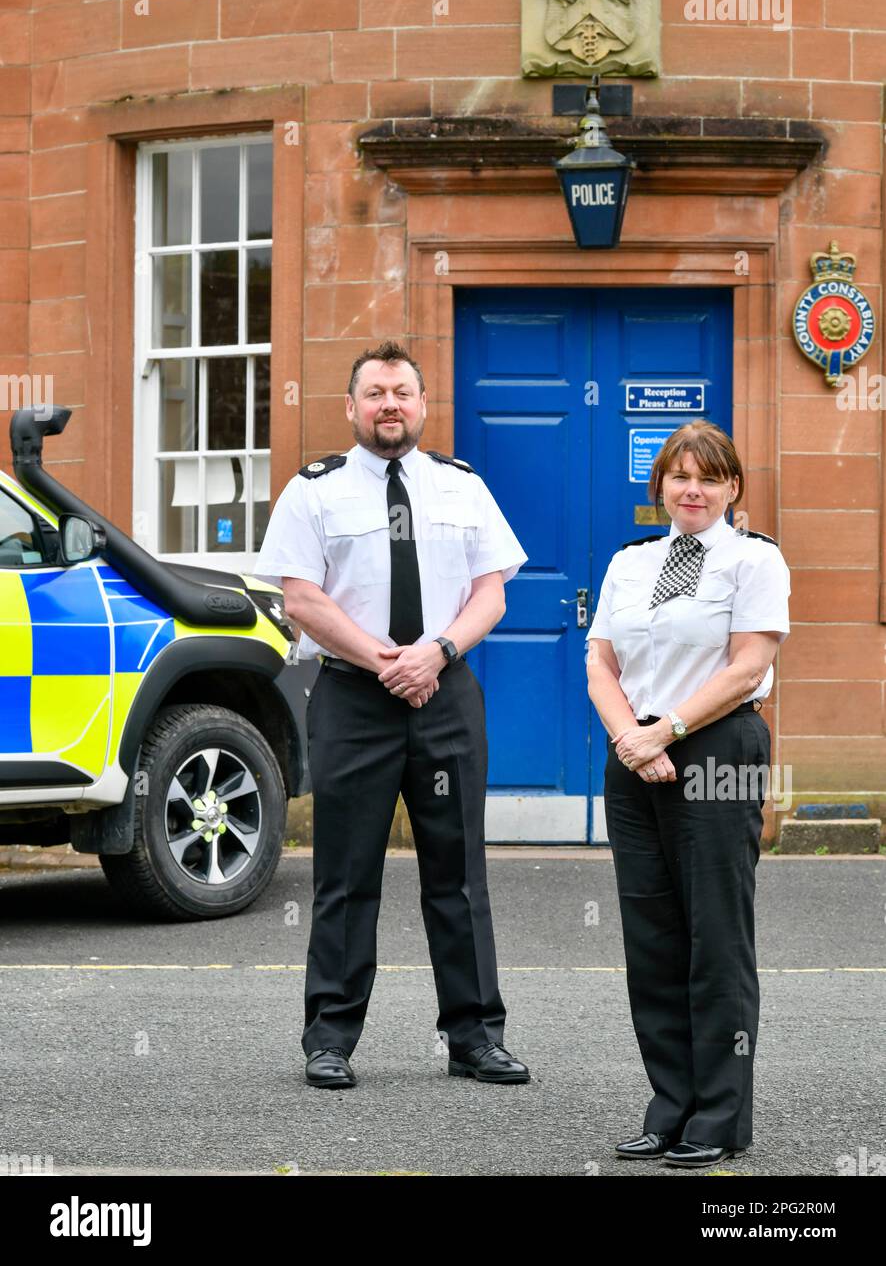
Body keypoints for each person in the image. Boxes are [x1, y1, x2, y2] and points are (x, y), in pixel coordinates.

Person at [254, 340, 531, 1089]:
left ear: (421, 404)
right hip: (353, 700)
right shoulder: (313, 491)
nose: (389, 405)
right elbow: (301, 597)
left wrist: (434, 653)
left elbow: (492, 593)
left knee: (460, 873)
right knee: (345, 874)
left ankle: (475, 1038)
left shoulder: (461, 486)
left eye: (401, 393)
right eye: (374, 393)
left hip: (445, 695)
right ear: (351, 408)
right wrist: (387, 661)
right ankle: (330, 1039)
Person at [586, 420, 790, 1169]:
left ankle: (719, 1117)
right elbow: (600, 662)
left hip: (717, 746)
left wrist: (665, 729)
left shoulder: (755, 561)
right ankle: (669, 1107)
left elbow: (745, 668)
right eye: (680, 476)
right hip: (635, 753)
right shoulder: (630, 562)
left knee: (717, 937)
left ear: (733, 487)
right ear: (660, 488)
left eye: (709, 477)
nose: (693, 489)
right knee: (653, 939)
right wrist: (631, 741)